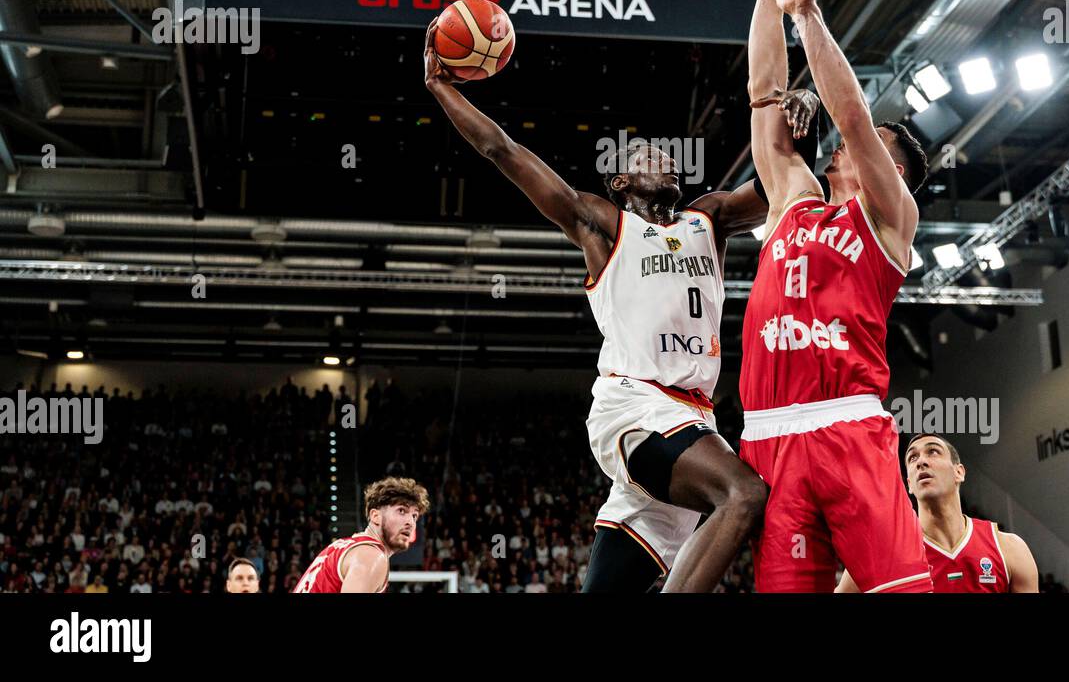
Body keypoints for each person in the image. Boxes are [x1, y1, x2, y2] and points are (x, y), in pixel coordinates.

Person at [424, 35, 821, 594]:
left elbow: (787, 181)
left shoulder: (708, 217)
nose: (658, 156)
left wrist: (808, 120)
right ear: (620, 183)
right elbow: (504, 151)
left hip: (693, 422)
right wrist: (441, 88)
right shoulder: (602, 222)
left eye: (663, 155)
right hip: (636, 405)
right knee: (746, 495)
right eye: (642, 158)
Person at [740, 0, 933, 593]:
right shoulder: (796, 201)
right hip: (769, 436)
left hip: (848, 425)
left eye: (877, 146)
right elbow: (764, 97)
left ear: (897, 170)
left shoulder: (890, 219)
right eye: (860, 144)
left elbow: (850, 115)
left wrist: (809, 16)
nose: (850, 146)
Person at [840, 434, 1037, 593]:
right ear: (909, 484)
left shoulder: (1009, 549)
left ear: (959, 472)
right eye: (912, 458)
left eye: (933, 452)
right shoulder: (882, 551)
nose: (921, 462)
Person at [293, 477, 428, 593]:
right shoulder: (371, 556)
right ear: (375, 516)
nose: (410, 522)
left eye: (414, 516)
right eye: (402, 511)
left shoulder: (344, 546)